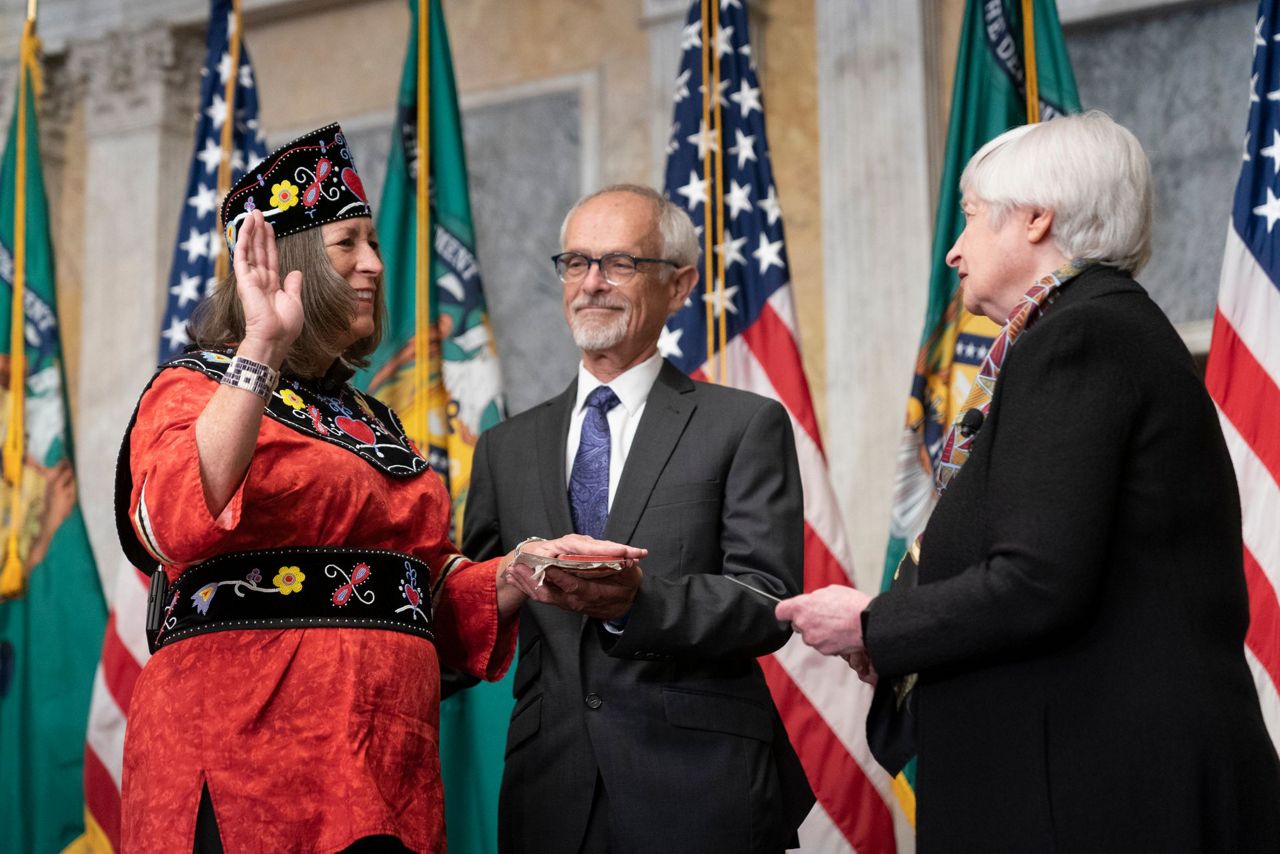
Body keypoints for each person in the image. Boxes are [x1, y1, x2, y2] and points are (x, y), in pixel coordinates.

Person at [115, 124, 643, 854]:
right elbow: (176, 521)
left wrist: (521, 570)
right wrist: (261, 345)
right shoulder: (193, 387)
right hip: (247, 762)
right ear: (290, 263)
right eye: (349, 243)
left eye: (373, 243)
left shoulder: (373, 419)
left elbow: (419, 589)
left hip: (382, 767)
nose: (374, 264)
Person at [778, 112, 1280, 852]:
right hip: (1093, 783)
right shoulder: (1097, 329)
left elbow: (1037, 580)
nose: (953, 251)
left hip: (1099, 797)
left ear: (1038, 218)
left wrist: (872, 625)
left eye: (973, 219)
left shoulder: (1082, 337)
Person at [463, 184, 815, 853]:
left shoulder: (742, 424)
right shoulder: (505, 447)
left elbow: (768, 600)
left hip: (700, 788)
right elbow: (476, 600)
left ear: (679, 285)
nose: (592, 283)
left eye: (619, 264)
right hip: (550, 796)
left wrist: (636, 603)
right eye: (576, 263)